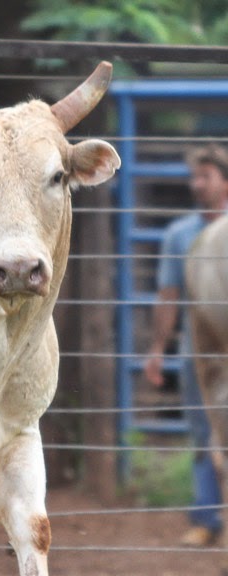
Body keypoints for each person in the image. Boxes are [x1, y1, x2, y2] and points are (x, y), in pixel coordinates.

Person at [145, 144, 228, 546]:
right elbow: (168, 295)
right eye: (194, 177)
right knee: (203, 430)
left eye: (205, 177)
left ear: (224, 183)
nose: (197, 185)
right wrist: (159, 348)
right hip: (201, 351)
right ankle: (207, 518)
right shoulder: (180, 234)